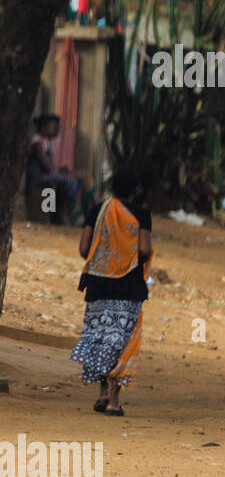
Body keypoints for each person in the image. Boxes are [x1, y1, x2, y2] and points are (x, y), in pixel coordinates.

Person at [70, 168, 152, 417]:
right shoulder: (141, 215)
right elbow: (145, 249)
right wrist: (126, 258)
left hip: (98, 285)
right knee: (122, 341)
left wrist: (105, 258)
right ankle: (114, 401)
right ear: (134, 190)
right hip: (129, 286)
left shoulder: (97, 212)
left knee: (100, 338)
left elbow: (84, 248)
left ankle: (102, 393)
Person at [26, 114, 82, 225]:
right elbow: (44, 162)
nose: (54, 130)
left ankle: (62, 211)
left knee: (72, 183)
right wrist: (56, 173)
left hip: (46, 175)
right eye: (52, 127)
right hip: (39, 177)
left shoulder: (45, 141)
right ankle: (64, 212)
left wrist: (59, 171)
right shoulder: (37, 141)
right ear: (44, 127)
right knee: (70, 183)